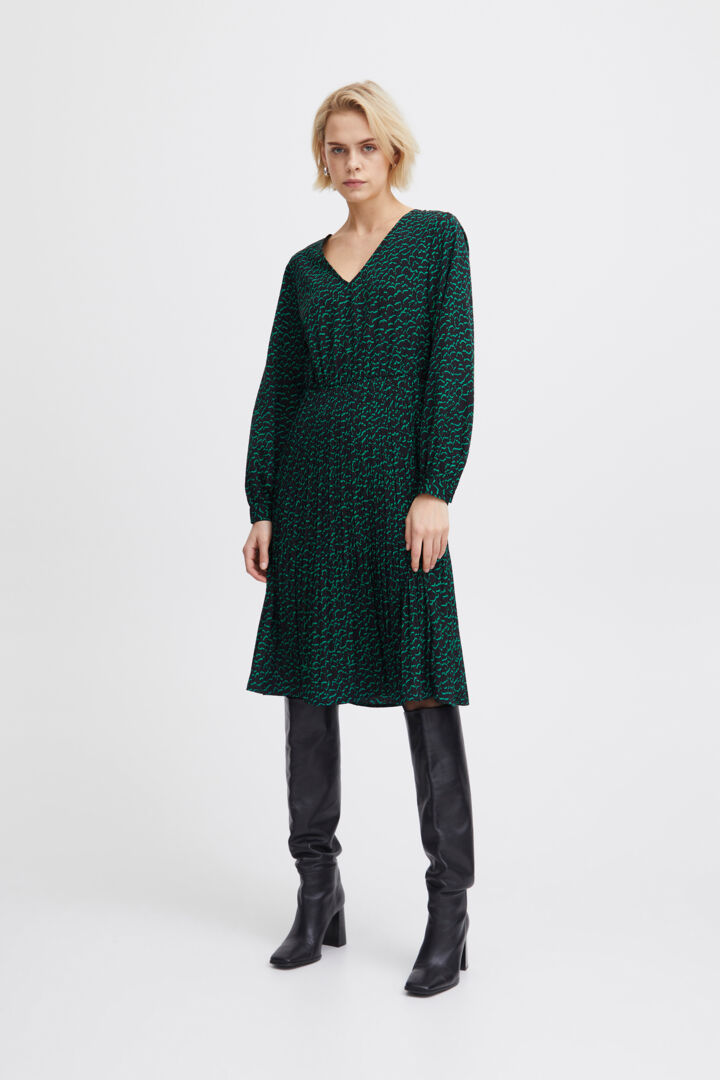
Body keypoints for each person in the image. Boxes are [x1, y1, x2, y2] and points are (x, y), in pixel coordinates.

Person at [242, 80, 475, 997]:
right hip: (310, 499)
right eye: (336, 148)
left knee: (424, 687)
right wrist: (263, 503)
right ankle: (317, 891)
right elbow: (279, 389)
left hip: (396, 503)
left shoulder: (438, 241)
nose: (350, 163)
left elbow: (451, 369)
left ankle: (449, 911)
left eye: (365, 146)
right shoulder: (305, 269)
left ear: (393, 151)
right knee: (307, 690)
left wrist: (435, 487)